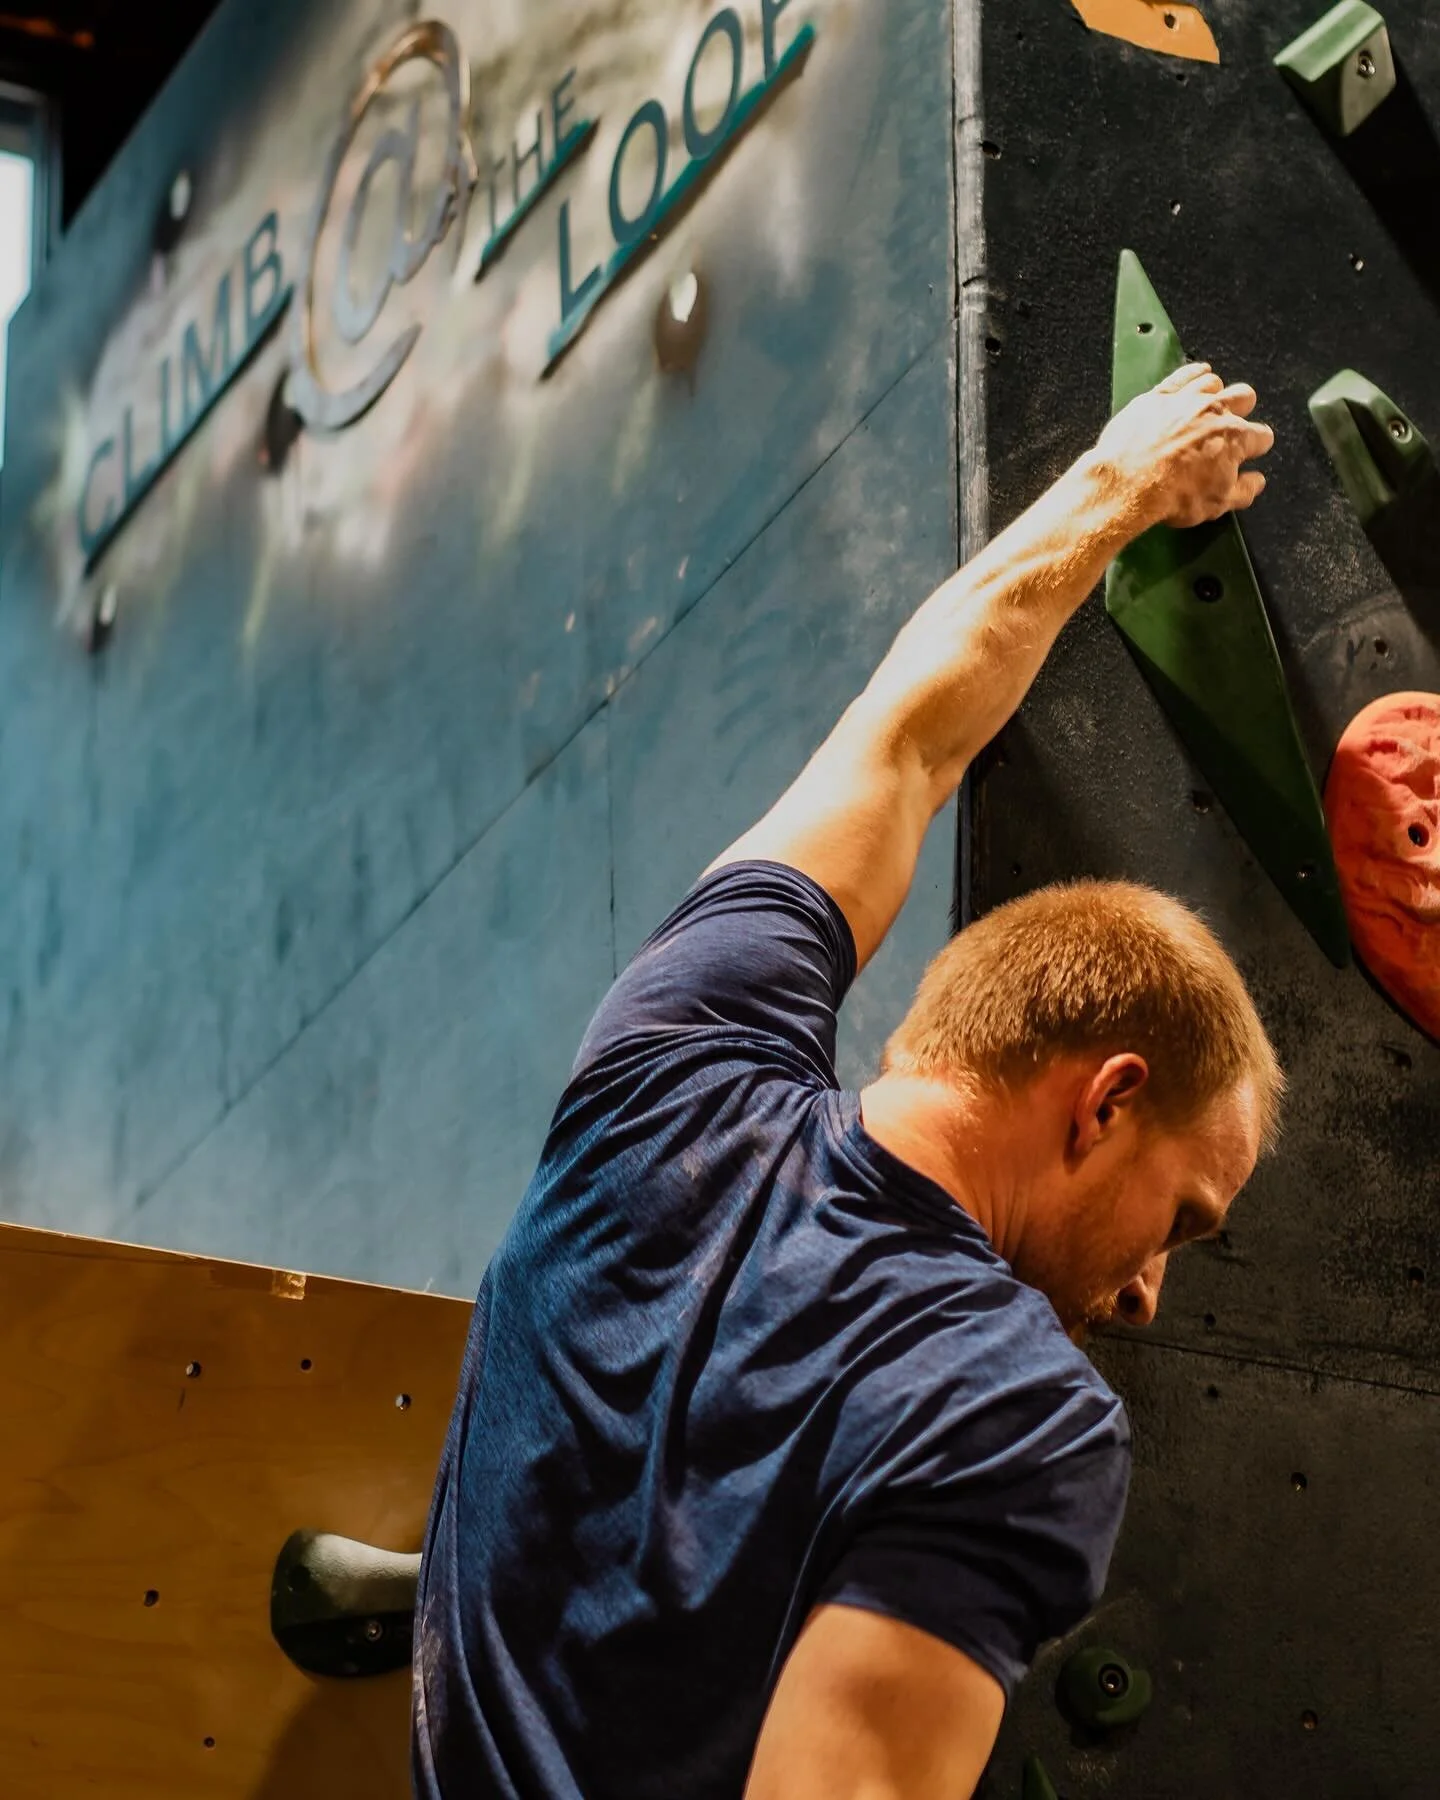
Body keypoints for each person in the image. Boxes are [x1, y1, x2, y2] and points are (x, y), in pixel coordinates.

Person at [411, 362, 1281, 1800]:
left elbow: (908, 734)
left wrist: (1123, 483)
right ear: (1108, 1100)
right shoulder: (1004, 1405)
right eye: (1178, 1219)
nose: (1144, 1294)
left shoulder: (672, 1071)